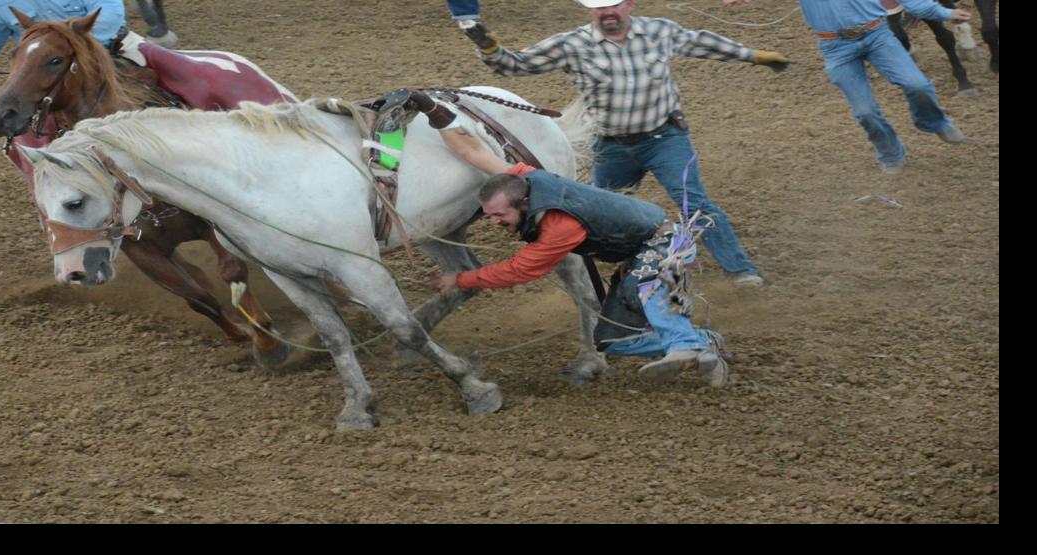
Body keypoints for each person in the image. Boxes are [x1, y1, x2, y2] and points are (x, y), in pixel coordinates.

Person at [389, 91, 730, 387]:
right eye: (489, 215)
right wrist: (432, 109)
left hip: (665, 244)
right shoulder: (521, 178)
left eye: (500, 217)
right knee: (612, 340)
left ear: (522, 203)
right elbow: (473, 152)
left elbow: (519, 271)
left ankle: (683, 345)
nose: (493, 224)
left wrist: (460, 278)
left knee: (649, 290)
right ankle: (704, 342)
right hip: (640, 253)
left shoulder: (559, 226)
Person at [459, 0, 789, 288]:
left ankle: (741, 270)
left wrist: (753, 56)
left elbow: (703, 43)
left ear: (628, 4)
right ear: (590, 9)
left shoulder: (659, 31)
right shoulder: (572, 44)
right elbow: (514, 65)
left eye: (614, 4)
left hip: (666, 138)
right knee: (596, 214)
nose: (608, 12)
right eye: (600, 6)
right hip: (611, 146)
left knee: (695, 203)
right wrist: (490, 49)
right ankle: (621, 275)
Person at [724, 0, 970, 173]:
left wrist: (945, 13)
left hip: (877, 35)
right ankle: (890, 154)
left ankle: (934, 122)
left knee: (917, 84)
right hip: (835, 46)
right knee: (865, 111)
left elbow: (912, 1)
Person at [0, 0, 126, 89]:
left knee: (153, 59)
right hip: (46, 68)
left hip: (112, 49)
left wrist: (78, 44)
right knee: (14, 112)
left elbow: (110, 13)